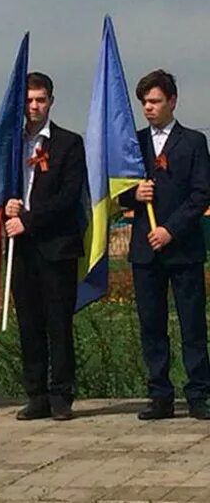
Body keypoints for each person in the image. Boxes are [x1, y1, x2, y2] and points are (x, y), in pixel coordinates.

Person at [123, 69, 210, 420]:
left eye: (155, 101)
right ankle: (159, 394)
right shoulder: (134, 144)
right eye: (144, 102)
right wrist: (133, 194)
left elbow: (201, 192)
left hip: (182, 247)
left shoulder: (192, 142)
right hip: (146, 249)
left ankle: (199, 392)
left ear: (172, 101)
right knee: (152, 324)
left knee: (191, 323)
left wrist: (171, 229)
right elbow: (116, 189)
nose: (149, 108)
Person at [2, 73, 85, 421]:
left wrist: (30, 221)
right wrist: (6, 206)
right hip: (22, 250)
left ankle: (61, 396)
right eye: (29, 100)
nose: (34, 107)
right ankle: (36, 395)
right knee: (30, 325)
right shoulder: (10, 145)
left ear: (51, 101)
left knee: (58, 324)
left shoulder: (69, 143)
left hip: (57, 246)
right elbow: (0, 185)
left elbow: (69, 198)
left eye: (41, 100)